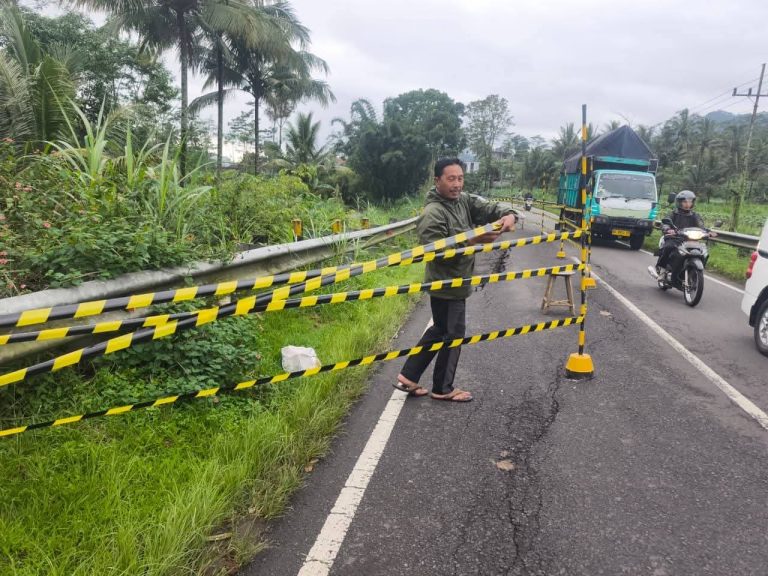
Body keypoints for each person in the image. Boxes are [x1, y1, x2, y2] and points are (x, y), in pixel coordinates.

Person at [393, 158, 519, 402]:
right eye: (451, 179)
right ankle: (443, 388)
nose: (457, 184)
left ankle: (408, 376)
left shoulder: (462, 201)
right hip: (445, 283)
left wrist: (509, 215)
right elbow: (432, 251)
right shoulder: (433, 213)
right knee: (453, 334)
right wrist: (472, 241)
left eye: (460, 178)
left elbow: (488, 208)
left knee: (440, 329)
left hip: (458, 280)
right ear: (437, 180)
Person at [649, 189, 717, 277]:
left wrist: (709, 232)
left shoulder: (694, 215)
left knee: (703, 251)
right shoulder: (673, 213)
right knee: (668, 247)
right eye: (685, 202)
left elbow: (701, 226)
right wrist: (668, 229)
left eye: (690, 202)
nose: (687, 204)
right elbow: (665, 223)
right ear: (680, 202)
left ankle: (693, 271)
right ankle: (660, 268)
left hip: (690, 240)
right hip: (674, 238)